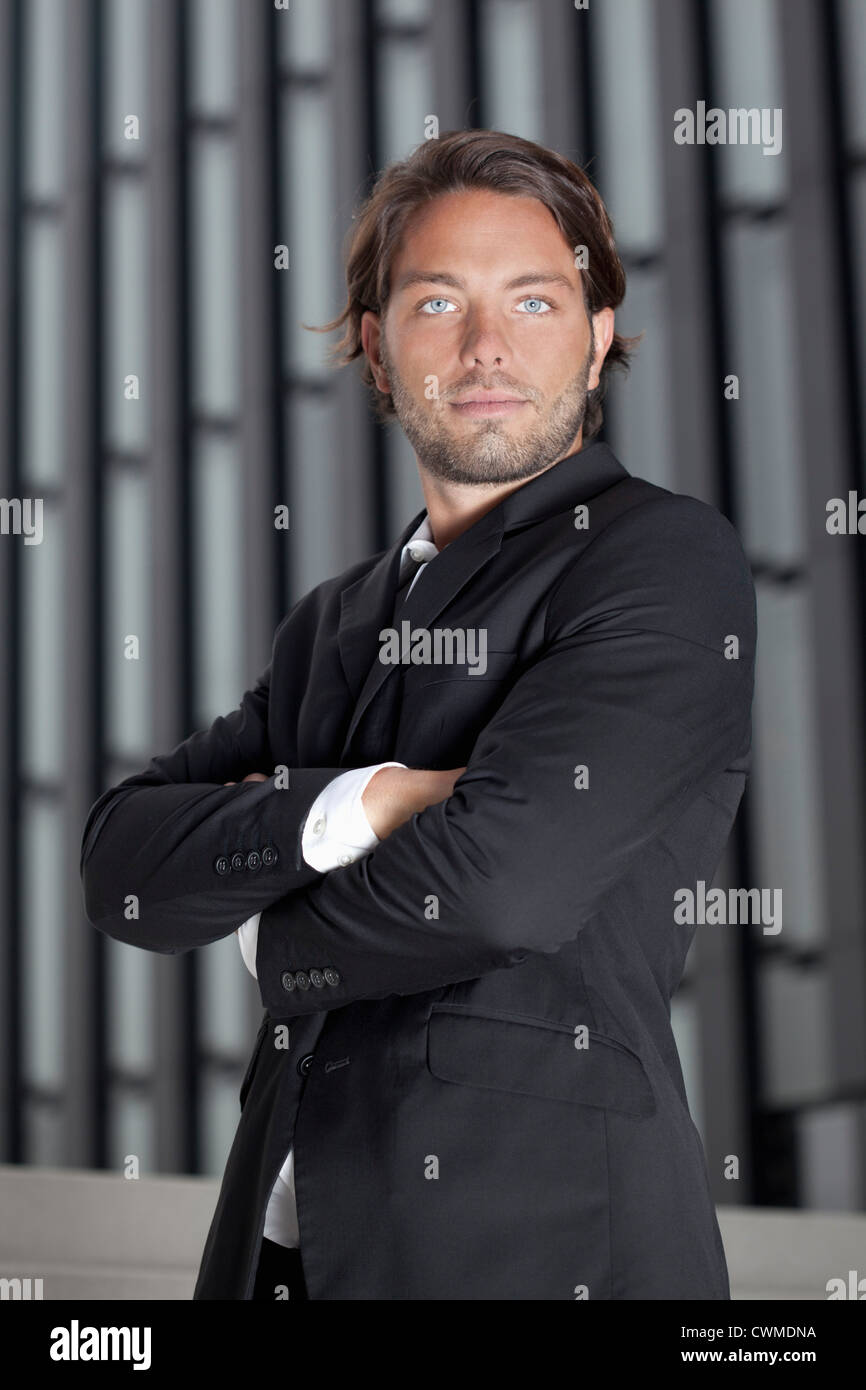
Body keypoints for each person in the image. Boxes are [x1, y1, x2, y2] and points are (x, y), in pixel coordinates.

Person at [80, 129, 756, 1300]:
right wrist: (371, 801)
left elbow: (509, 883)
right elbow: (120, 866)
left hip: (531, 1248)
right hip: (277, 1248)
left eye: (534, 301)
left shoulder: (656, 559)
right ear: (376, 353)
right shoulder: (330, 621)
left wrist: (263, 920)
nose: (486, 346)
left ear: (596, 342)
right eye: (436, 300)